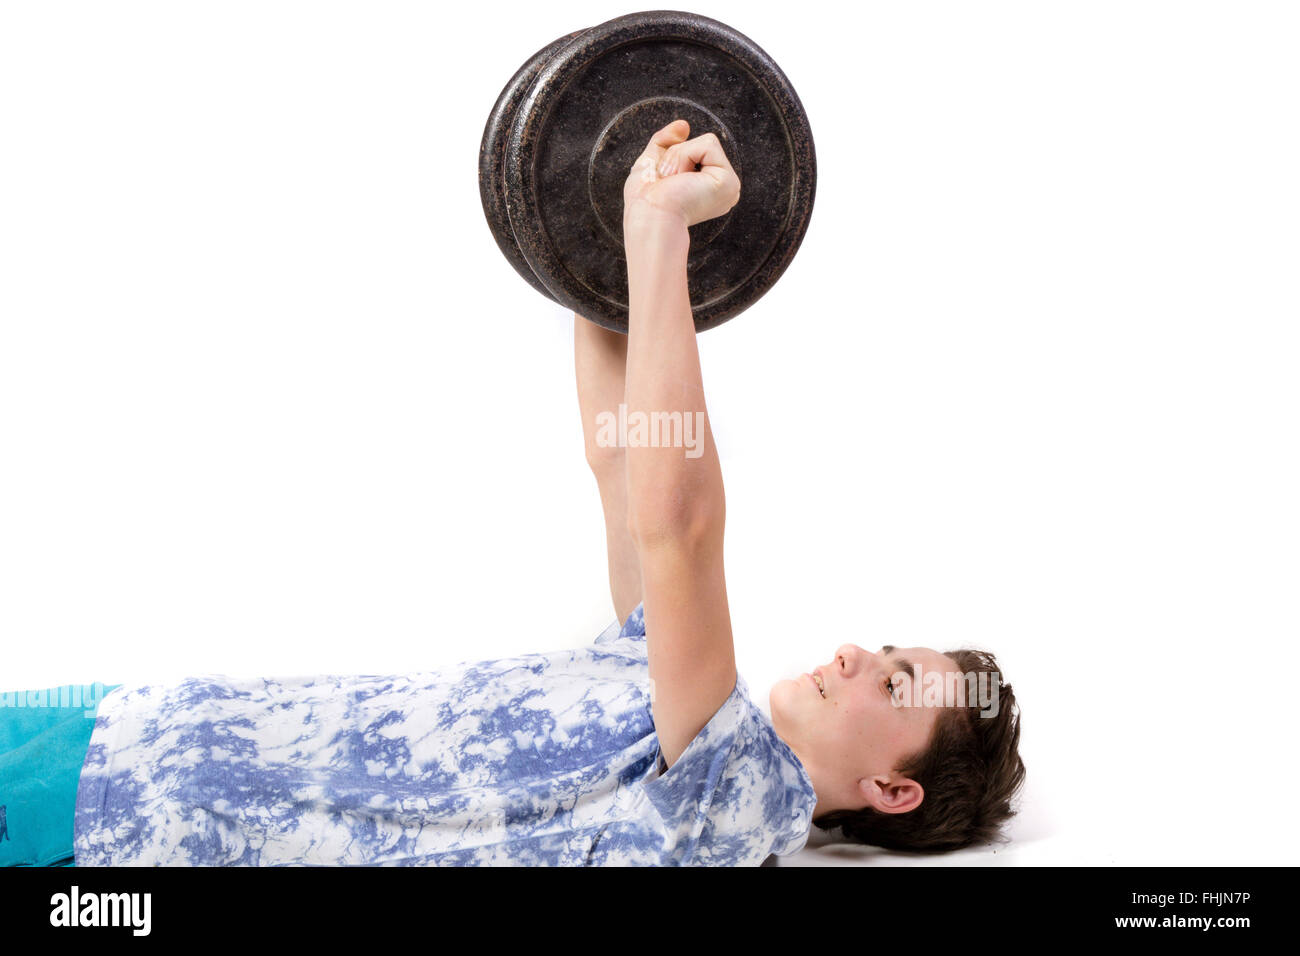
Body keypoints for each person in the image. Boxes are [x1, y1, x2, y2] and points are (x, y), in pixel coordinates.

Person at [2, 120, 1024, 867]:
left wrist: (661, 234)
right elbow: (625, 458)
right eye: (886, 651)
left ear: (891, 789)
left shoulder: (738, 809)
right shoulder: (671, 697)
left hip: (113, 828)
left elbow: (682, 525)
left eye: (891, 687)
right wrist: (601, 235)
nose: (853, 655)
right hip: (124, 718)